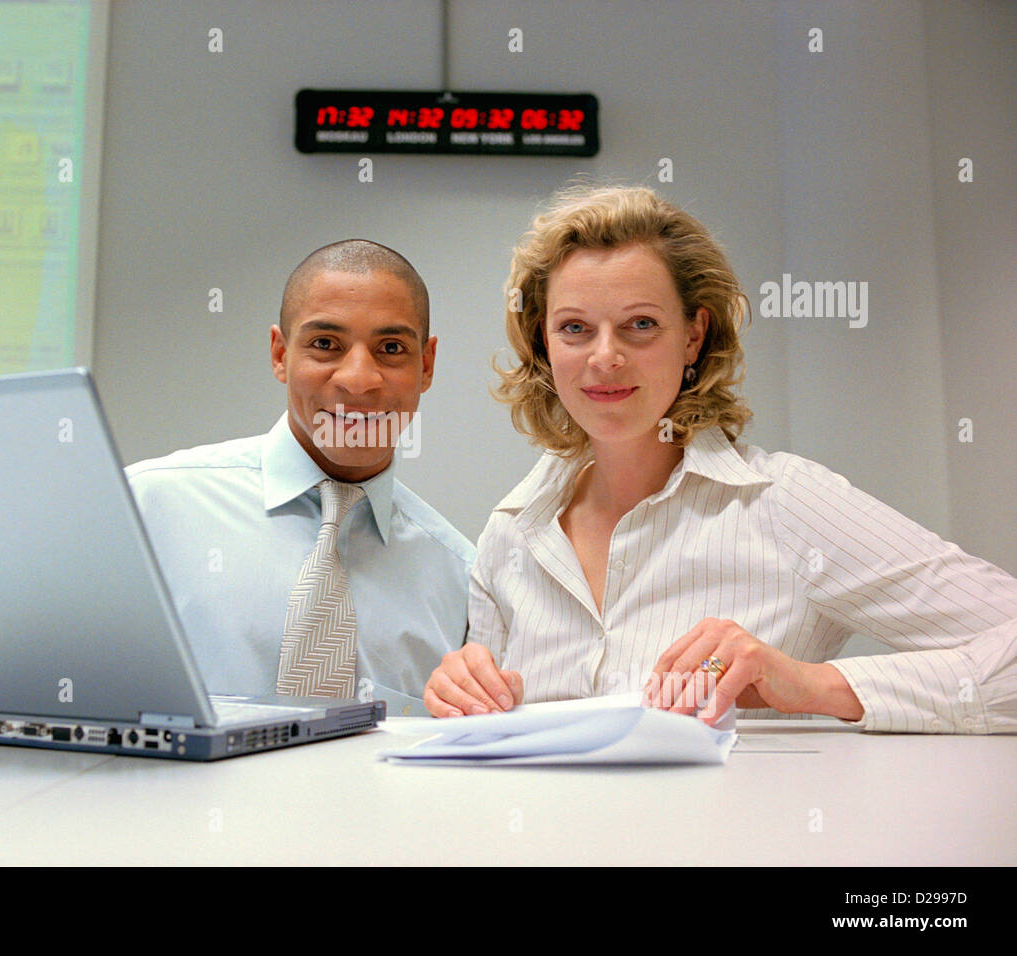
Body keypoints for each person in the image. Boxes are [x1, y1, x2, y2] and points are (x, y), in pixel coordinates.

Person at [424, 185, 1017, 733]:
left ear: (693, 335)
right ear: (544, 344)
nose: (604, 358)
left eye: (640, 325)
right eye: (575, 328)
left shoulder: (782, 504)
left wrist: (811, 685)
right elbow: (490, 745)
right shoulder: (510, 535)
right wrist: (460, 699)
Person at [127, 240, 473, 716]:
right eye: (325, 345)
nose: (358, 380)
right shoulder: (144, 509)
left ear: (426, 366)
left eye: (391, 349)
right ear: (279, 354)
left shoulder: (462, 580)